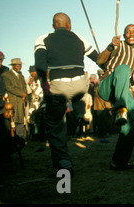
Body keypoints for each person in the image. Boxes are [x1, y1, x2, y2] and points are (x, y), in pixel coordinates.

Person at [34, 12, 99, 176]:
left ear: (53, 26)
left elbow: (40, 65)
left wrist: (44, 85)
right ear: (69, 26)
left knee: (55, 124)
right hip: (79, 84)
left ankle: (63, 162)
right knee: (78, 95)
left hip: (59, 85)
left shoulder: (42, 39)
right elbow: (97, 58)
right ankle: (78, 112)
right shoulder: (79, 37)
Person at [96, 24, 134, 170]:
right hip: (108, 85)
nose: (131, 34)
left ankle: (119, 161)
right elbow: (99, 61)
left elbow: (132, 78)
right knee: (123, 68)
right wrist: (110, 46)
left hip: (123, 90)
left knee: (131, 127)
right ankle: (120, 109)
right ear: (124, 35)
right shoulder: (118, 45)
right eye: (128, 32)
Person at [2, 58, 28, 140]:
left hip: (20, 102)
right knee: (12, 121)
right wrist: (21, 93)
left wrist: (25, 96)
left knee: (20, 121)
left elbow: (24, 88)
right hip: (11, 102)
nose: (19, 67)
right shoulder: (6, 75)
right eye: (17, 65)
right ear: (12, 66)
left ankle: (20, 140)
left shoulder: (21, 75)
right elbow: (9, 87)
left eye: (20, 65)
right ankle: (12, 140)